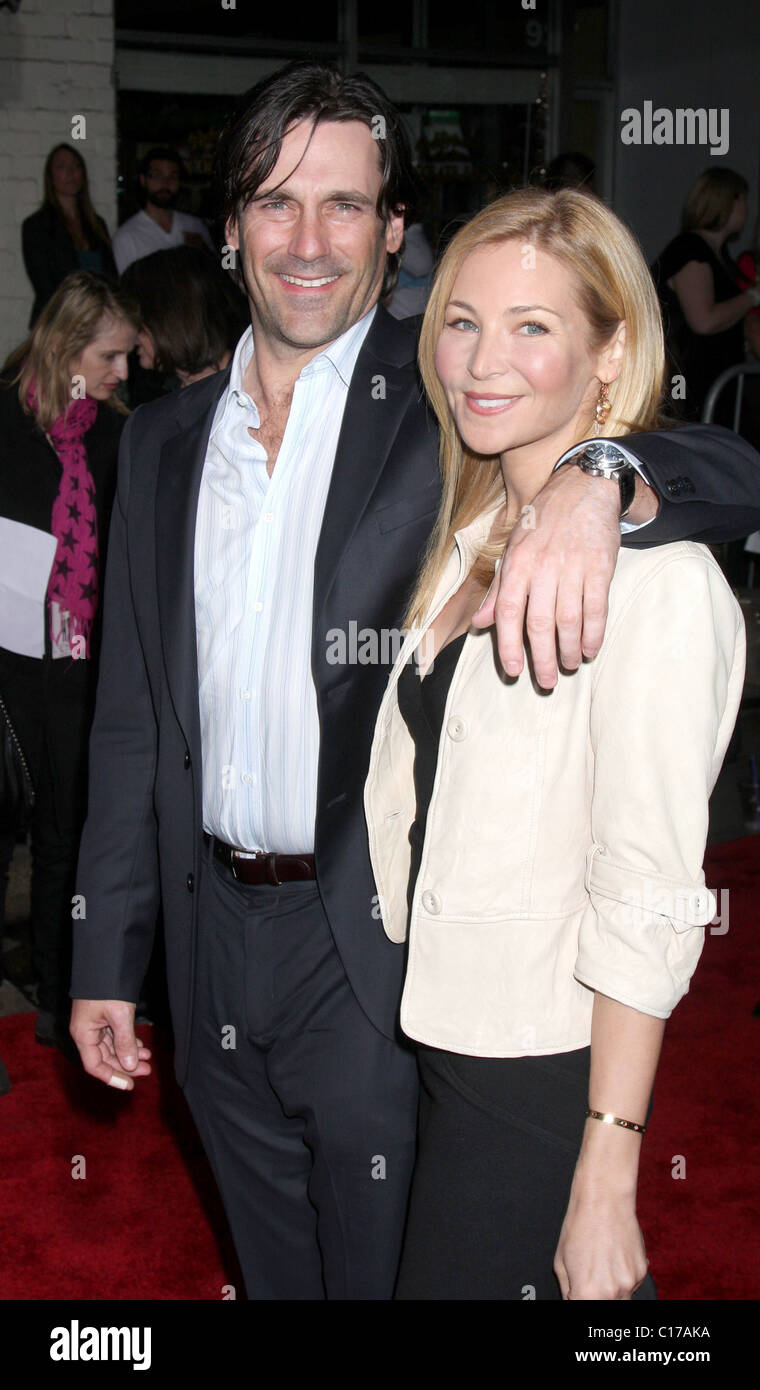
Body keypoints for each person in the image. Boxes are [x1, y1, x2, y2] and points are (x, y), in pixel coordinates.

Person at [69, 61, 760, 1302]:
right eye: (274, 202)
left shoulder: (433, 405)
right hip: (207, 931)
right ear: (227, 228)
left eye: (345, 204)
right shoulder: (164, 443)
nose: (308, 240)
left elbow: (720, 460)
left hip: (369, 947)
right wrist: (107, 956)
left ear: (396, 234)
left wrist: (604, 475)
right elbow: (131, 725)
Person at [364, 188, 746, 1301]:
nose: (481, 359)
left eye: (533, 326)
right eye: (462, 318)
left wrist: (607, 1170)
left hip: (536, 1060)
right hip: (435, 1015)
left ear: (609, 349)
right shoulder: (471, 524)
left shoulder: (664, 589)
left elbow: (650, 888)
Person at [0, 272, 139, 1054]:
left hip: (79, 673)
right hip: (4, 671)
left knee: (65, 843)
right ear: (66, 346)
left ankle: (56, 1006)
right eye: (112, 355)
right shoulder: (2, 421)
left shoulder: (117, 438)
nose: (125, 372)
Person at [651, 168, 758, 422]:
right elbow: (703, 320)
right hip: (690, 378)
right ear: (727, 201)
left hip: (711, 378)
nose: (747, 208)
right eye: (742, 199)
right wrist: (753, 297)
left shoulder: (719, 255)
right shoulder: (690, 250)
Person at [121, 245, 249, 388]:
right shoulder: (161, 391)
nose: (129, 332)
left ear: (169, 318)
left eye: (138, 318)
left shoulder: (248, 385)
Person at [21, 144, 117, 327]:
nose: (70, 172)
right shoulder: (36, 226)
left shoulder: (97, 224)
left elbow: (111, 279)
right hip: (57, 323)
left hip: (98, 323)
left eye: (76, 166)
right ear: (51, 177)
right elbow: (45, 287)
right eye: (61, 166)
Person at [112, 148, 214, 276]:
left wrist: (202, 251)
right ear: (143, 180)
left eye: (173, 176)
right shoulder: (127, 236)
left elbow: (213, 275)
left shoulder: (195, 225)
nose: (165, 183)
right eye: (157, 175)